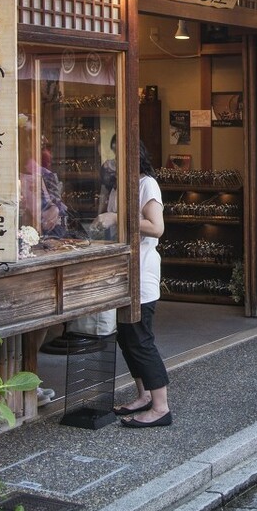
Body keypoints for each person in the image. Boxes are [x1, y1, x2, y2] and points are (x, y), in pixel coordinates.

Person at [115, 141, 172, 427]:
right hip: (122, 273)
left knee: (140, 338)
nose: (113, 160)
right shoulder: (118, 186)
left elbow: (156, 227)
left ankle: (161, 407)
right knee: (125, 338)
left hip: (142, 272)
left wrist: (117, 217)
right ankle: (143, 395)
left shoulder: (146, 184)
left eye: (119, 154)